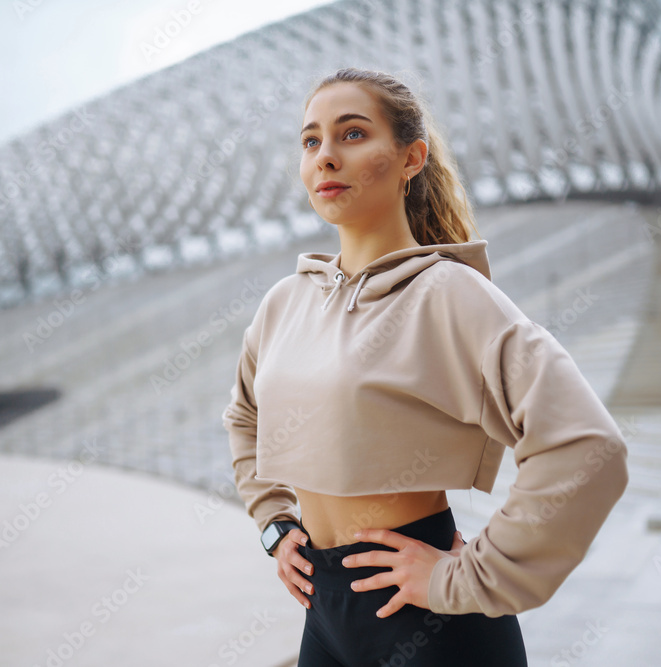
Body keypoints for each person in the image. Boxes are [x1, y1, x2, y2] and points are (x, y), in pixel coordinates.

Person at [222, 67, 630, 666]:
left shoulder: (448, 293)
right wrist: (274, 527)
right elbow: (243, 417)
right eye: (311, 141)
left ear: (412, 158)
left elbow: (589, 446)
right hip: (323, 615)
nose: (325, 157)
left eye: (352, 134)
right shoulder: (285, 301)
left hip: (430, 623)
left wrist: (469, 575)